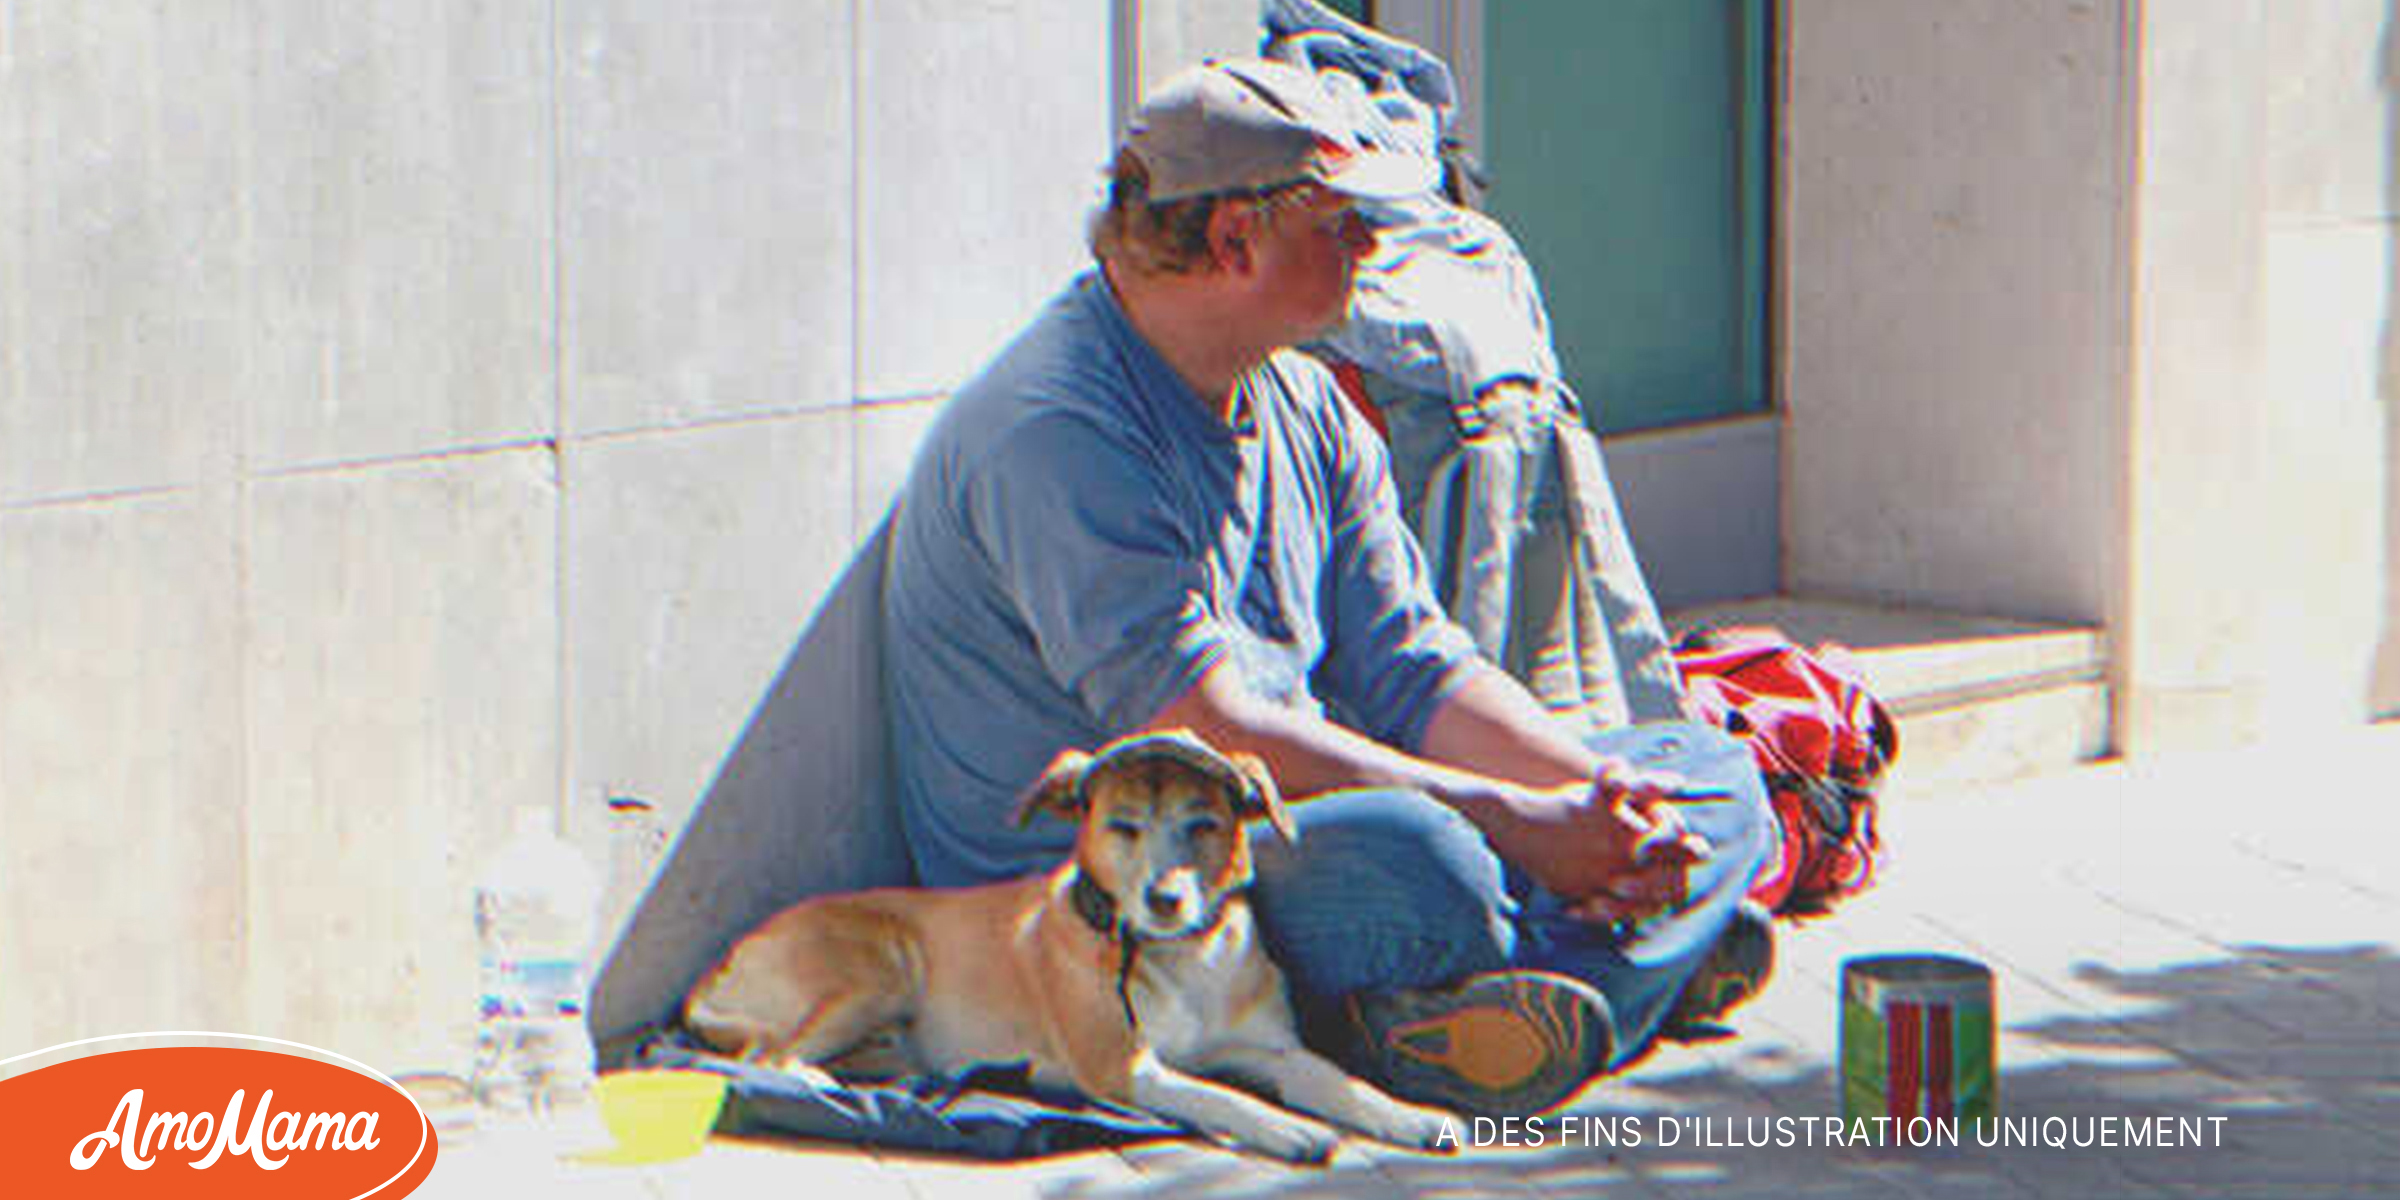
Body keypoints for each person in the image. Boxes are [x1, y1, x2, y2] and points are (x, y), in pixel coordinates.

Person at [881, 58, 1774, 1120]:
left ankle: (1505, 1003)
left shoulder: (1304, 396)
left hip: (1267, 823)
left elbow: (1411, 662)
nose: (1371, 248)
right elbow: (1209, 736)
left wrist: (1592, 801)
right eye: (1344, 223)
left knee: (1711, 771)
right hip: (1109, 887)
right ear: (1234, 241)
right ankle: (1596, 966)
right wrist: (1520, 824)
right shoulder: (1058, 433)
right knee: (1430, 859)